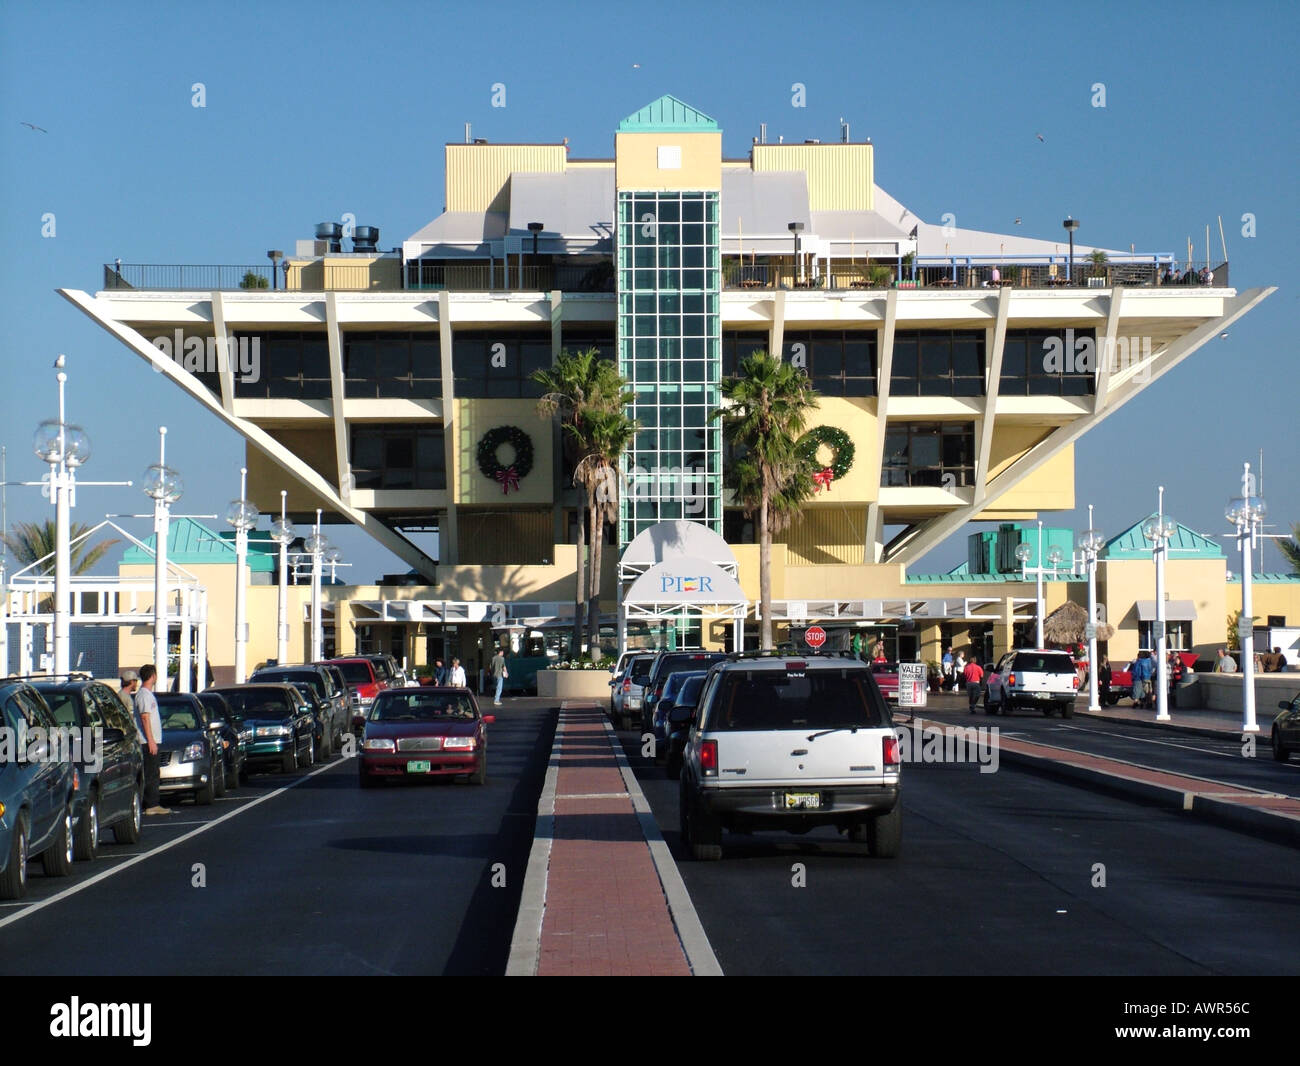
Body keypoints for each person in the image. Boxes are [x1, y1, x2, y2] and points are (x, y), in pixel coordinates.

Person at [135, 664, 170, 816]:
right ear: (153, 676)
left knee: (154, 772)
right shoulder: (143, 695)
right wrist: (150, 740)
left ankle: (153, 802)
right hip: (146, 742)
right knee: (151, 773)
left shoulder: (148, 694)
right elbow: (144, 717)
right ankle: (151, 804)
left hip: (152, 740)